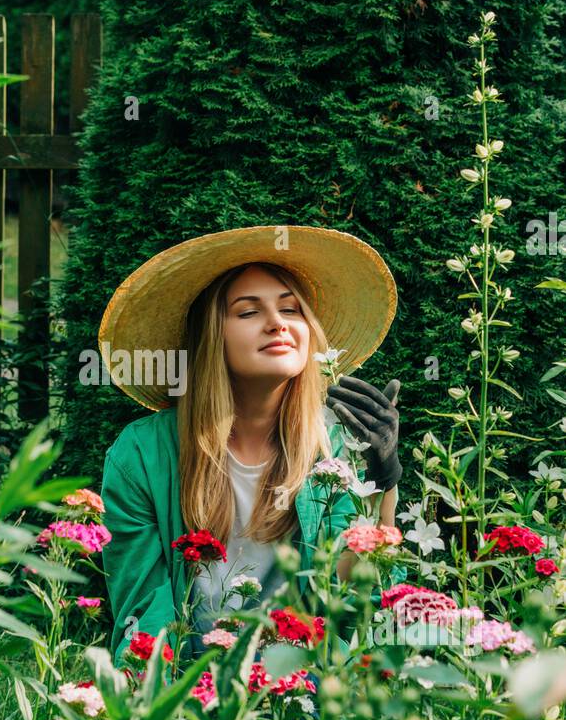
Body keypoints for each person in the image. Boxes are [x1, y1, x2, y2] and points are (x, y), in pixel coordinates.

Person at [97, 225, 406, 669]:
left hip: (307, 691)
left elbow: (351, 610)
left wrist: (382, 485)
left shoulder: (337, 447)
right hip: (186, 687)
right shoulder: (142, 456)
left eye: (291, 308)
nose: (278, 322)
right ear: (211, 338)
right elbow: (144, 613)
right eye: (247, 312)